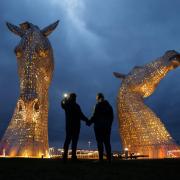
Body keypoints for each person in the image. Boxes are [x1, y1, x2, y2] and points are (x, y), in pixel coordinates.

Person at [61, 93, 88, 162]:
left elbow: (62, 104)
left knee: (68, 140)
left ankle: (65, 156)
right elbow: (81, 115)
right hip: (76, 126)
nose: (75, 98)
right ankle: (72, 156)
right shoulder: (75, 106)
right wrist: (87, 120)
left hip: (70, 126)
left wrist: (64, 99)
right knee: (73, 142)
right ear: (74, 98)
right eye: (74, 97)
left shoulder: (68, 105)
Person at [87, 93, 114, 163]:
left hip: (99, 127)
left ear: (98, 98)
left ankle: (101, 159)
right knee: (107, 142)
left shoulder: (97, 105)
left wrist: (89, 122)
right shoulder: (109, 106)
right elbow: (112, 117)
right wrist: (109, 125)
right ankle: (109, 159)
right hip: (107, 127)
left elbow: (94, 116)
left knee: (100, 142)